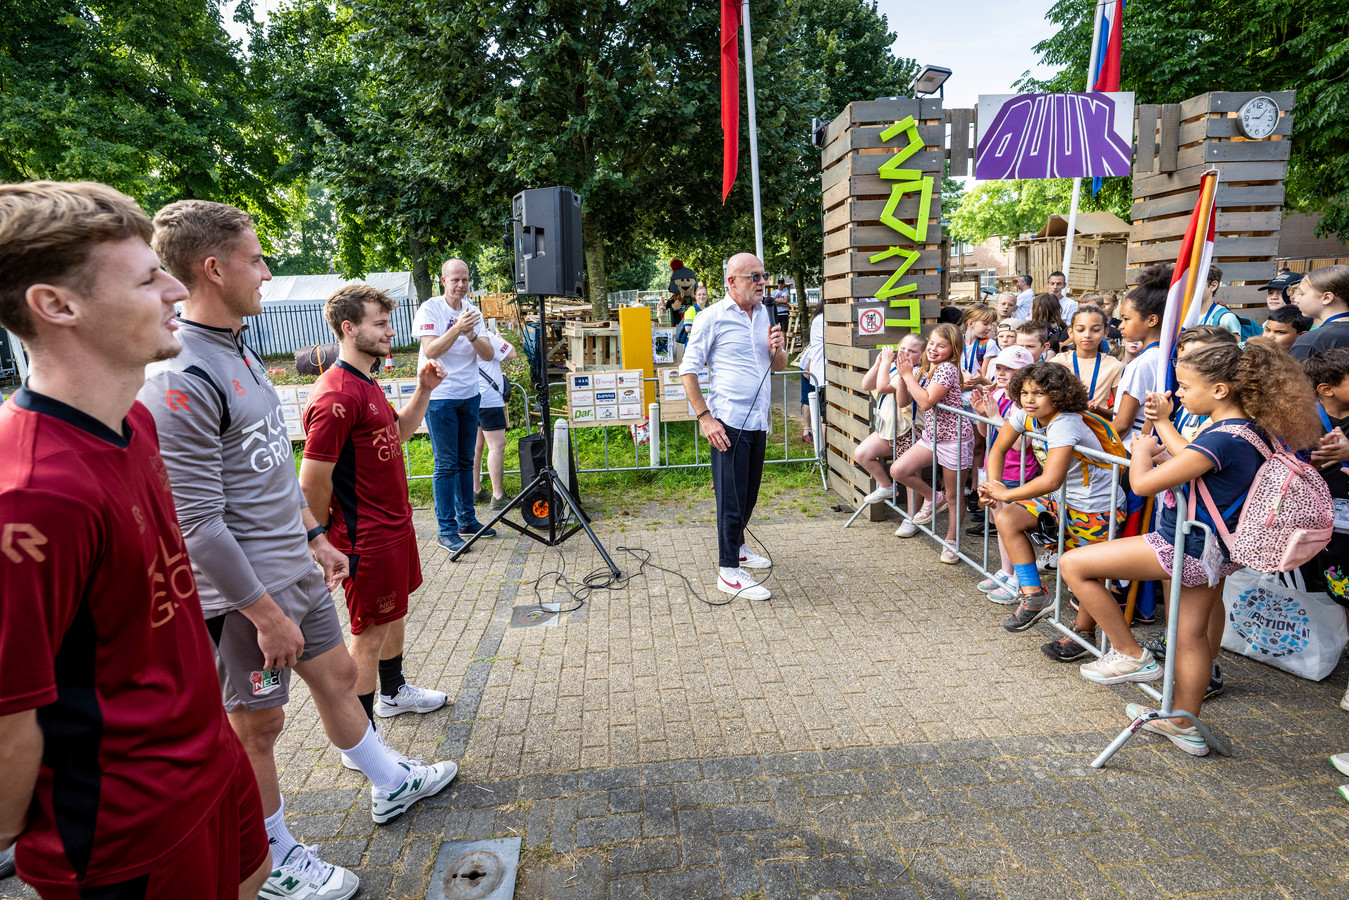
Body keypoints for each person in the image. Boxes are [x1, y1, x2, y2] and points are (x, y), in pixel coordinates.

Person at [141, 200, 452, 899]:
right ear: (212, 268)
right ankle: (270, 854)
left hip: (295, 567)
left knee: (340, 678)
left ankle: (389, 781)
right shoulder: (180, 376)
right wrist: (261, 612)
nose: (268, 270)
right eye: (255, 258)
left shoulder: (239, 345)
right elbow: (196, 522)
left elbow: (266, 469)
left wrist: (312, 536)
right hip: (245, 594)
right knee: (259, 727)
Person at [0, 182, 270, 899]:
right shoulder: (29, 495)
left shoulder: (136, 422)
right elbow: (8, 727)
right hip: (123, 831)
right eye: (149, 277)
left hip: (210, 767)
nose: (178, 288)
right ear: (57, 306)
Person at [1060, 339, 1321, 756]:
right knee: (1191, 638)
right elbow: (1194, 459)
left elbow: (1143, 484)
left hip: (1182, 546)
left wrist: (1146, 446)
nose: (1178, 393)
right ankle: (1184, 723)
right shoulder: (1250, 430)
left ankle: (1130, 655)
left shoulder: (1221, 438)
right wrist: (1168, 440)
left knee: (1074, 564)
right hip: (1215, 552)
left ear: (1220, 391)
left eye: (1185, 386)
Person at [299, 285, 459, 806]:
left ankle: (392, 692)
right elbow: (312, 480)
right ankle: (361, 741)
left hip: (395, 529)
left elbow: (401, 433)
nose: (391, 331)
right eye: (381, 323)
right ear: (349, 328)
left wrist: (424, 391)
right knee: (366, 633)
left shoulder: (366, 382)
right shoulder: (335, 395)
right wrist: (320, 541)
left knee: (392, 617)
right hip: (363, 537)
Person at [980, 362, 1125, 634]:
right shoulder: (1026, 415)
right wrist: (992, 486)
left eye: (1038, 393)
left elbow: (1050, 480)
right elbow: (998, 448)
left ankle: (1083, 634)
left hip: (1095, 506)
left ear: (1059, 395)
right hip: (1061, 498)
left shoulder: (1065, 423)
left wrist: (1005, 493)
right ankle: (1035, 595)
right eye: (1024, 392)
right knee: (1007, 518)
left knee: (1085, 574)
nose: (1029, 399)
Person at [680, 253, 786, 600]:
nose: (762, 282)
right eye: (753, 276)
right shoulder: (711, 318)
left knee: (749, 494)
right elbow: (688, 370)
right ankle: (728, 572)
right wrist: (705, 417)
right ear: (732, 282)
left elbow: (778, 367)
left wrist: (779, 349)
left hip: (758, 420)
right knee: (730, 498)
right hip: (727, 421)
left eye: (763, 275)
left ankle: (738, 548)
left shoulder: (764, 316)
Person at [416, 258, 497, 552]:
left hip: (469, 394)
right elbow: (430, 349)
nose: (461, 285)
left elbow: (488, 354)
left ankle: (467, 520)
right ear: (443, 281)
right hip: (440, 396)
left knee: (466, 461)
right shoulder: (431, 308)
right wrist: (457, 328)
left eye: (465, 279)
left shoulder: (474, 312)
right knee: (446, 463)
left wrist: (472, 332)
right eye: (455, 280)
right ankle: (446, 529)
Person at [891, 322, 973, 564]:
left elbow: (926, 402)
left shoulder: (947, 368)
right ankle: (931, 497)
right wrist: (903, 375)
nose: (934, 349)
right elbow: (904, 401)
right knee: (899, 470)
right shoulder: (925, 368)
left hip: (955, 439)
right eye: (932, 344)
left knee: (954, 495)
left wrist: (907, 374)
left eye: (942, 346)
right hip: (932, 436)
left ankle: (952, 542)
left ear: (954, 349)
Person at [856, 334, 925, 522]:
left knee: (911, 475)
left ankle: (912, 518)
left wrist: (886, 362)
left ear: (921, 355)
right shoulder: (893, 367)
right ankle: (886, 486)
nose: (906, 353)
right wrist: (879, 364)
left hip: (906, 430)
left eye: (912, 351)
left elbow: (882, 387)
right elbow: (866, 384)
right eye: (903, 348)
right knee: (862, 453)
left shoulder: (915, 372)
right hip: (888, 429)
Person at [1110, 264, 1170, 448]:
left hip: (1131, 448)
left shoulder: (1142, 363)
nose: (1121, 325)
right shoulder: (1165, 355)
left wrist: (1096, 448)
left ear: (1152, 320)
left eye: (1127, 319)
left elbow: (1123, 424)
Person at [473, 329, 517, 508]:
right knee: (496, 446)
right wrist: (500, 337)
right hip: (489, 400)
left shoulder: (460, 337)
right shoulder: (487, 337)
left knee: (476, 447)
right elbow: (511, 353)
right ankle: (498, 496)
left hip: (472, 397)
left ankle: (475, 490)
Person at [1053, 307, 1124, 413]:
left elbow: (1120, 412)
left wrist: (1098, 410)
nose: (1087, 335)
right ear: (1071, 332)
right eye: (1080, 330)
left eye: (1095, 330)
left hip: (1098, 425)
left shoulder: (1115, 366)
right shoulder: (1057, 363)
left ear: (1105, 332)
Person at [1290, 264, 1349, 361]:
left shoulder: (1312, 342)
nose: (1296, 299)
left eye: (1302, 293)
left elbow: (1295, 376)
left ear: (1326, 298)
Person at [1194, 264, 1243, 343]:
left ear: (1213, 286)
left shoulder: (1226, 319)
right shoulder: (1182, 316)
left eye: (1196, 284)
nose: (1190, 288)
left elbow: (1234, 353)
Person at [797, 307, 824, 444]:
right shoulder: (822, 320)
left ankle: (809, 432)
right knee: (809, 398)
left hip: (812, 364)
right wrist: (809, 366)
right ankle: (807, 432)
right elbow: (817, 348)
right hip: (811, 364)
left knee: (810, 398)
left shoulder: (819, 319)